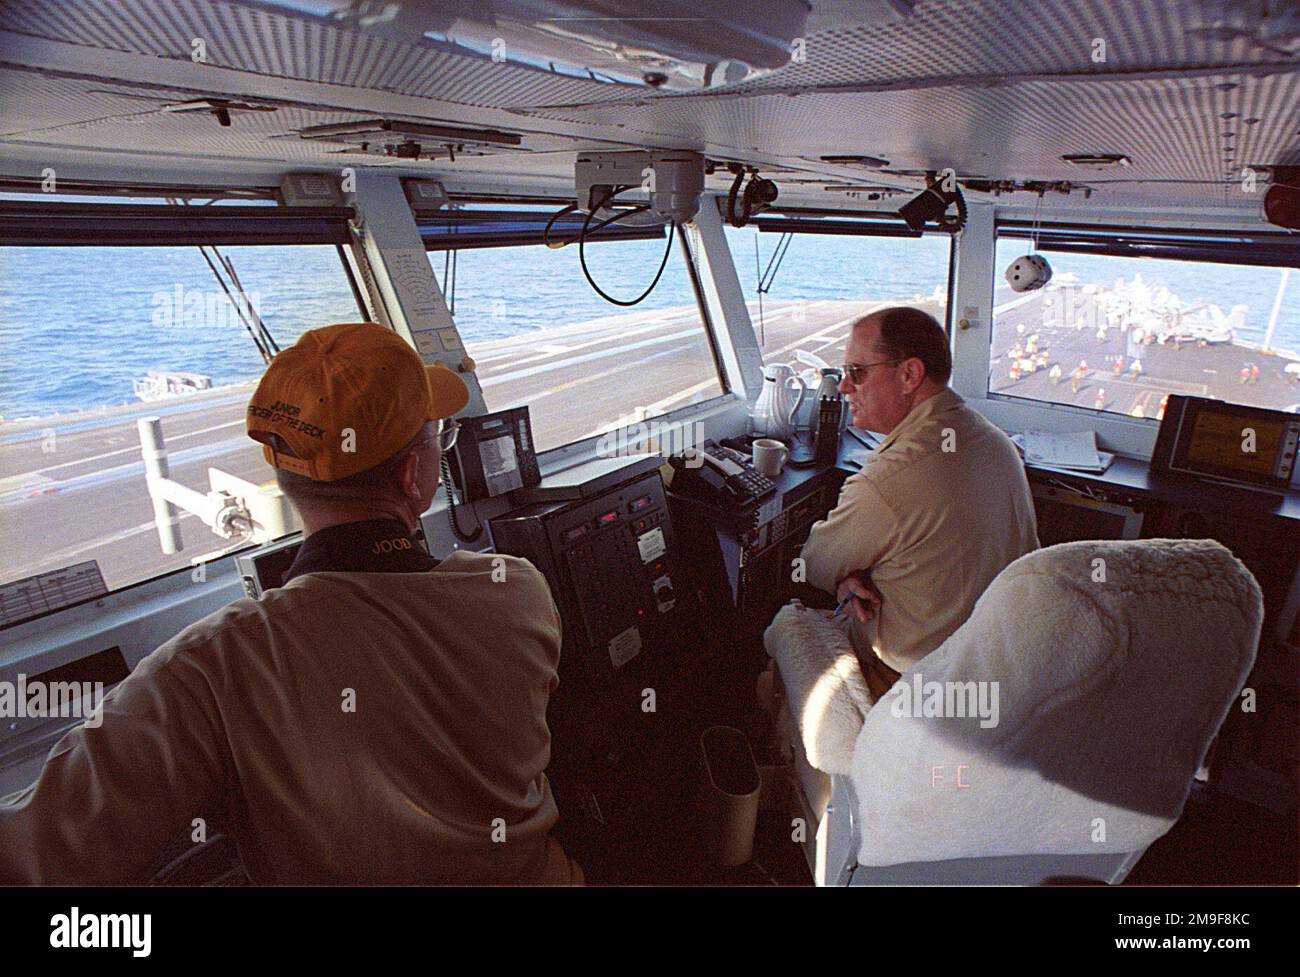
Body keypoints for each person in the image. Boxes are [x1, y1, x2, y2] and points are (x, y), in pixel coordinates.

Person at [0, 322, 580, 885]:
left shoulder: (208, 669)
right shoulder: (518, 589)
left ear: (282, 472)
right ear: (412, 476)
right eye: (439, 437)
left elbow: (36, 856)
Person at [798, 308, 1038, 697]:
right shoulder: (995, 441)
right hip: (1000, 666)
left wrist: (844, 575)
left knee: (785, 631)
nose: (843, 387)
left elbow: (812, 563)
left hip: (917, 682)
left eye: (856, 372)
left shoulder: (886, 482)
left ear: (909, 375)